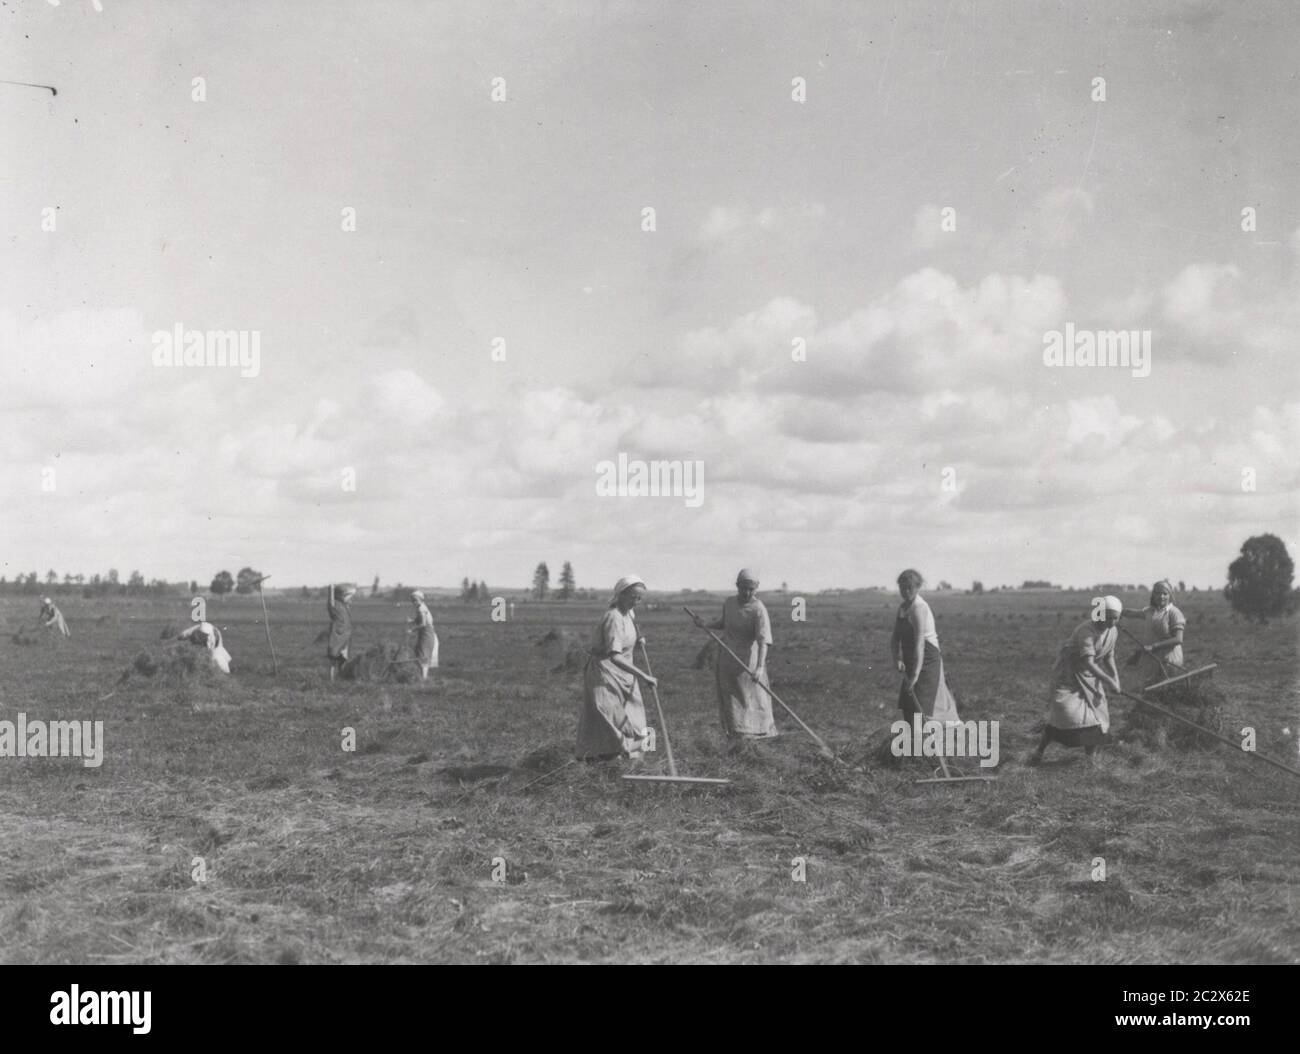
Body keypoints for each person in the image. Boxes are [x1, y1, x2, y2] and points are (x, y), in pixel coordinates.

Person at [1030, 596, 1123, 765]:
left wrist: (1116, 679)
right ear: (1099, 614)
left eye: (1115, 618)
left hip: (1090, 676)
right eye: (1107, 617)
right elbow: (1088, 662)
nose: (1111, 621)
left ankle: (1091, 760)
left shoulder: (1113, 632)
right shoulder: (1086, 631)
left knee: (1097, 715)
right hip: (1068, 675)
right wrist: (1108, 680)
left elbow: (1109, 658)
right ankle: (1039, 752)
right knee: (1064, 714)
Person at [577, 575, 656, 761]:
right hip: (605, 673)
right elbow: (614, 656)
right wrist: (645, 676)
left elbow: (629, 633)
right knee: (609, 719)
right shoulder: (613, 617)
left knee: (636, 719)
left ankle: (634, 759)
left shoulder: (629, 613)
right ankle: (604, 759)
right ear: (621, 594)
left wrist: (638, 638)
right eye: (633, 597)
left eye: (640, 598)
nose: (636, 601)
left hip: (625, 675)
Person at [692, 569, 776, 739]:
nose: (746, 592)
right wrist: (705, 624)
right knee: (730, 697)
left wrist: (760, 667)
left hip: (748, 661)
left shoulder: (758, 609)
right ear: (737, 586)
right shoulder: (729, 603)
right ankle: (736, 733)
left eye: (751, 589)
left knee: (751, 697)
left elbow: (763, 640)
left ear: (757, 588)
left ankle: (757, 733)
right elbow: (724, 623)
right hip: (728, 658)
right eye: (743, 588)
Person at [889, 569, 960, 725]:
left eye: (910, 588)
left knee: (923, 705)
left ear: (918, 587)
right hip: (911, 656)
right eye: (902, 588)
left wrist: (915, 675)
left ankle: (933, 741)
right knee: (908, 704)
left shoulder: (919, 608)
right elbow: (895, 638)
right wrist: (897, 659)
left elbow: (920, 643)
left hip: (927, 658)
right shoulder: (902, 608)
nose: (906, 591)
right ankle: (914, 742)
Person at [1123, 579, 1186, 686]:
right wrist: (1114, 610)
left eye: (1164, 593)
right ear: (1153, 595)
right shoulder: (1150, 611)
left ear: (1170, 595)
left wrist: (1154, 646)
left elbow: (1178, 639)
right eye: (1157, 593)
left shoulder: (1174, 613)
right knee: (1151, 687)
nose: (1161, 596)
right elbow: (1131, 613)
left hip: (1169, 659)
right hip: (1152, 658)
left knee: (1166, 688)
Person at [326, 583, 355, 681]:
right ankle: (331, 680)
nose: (350, 599)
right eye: (349, 597)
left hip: (345, 637)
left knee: (343, 659)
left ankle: (340, 676)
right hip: (337, 636)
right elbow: (330, 602)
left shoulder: (345, 607)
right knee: (333, 659)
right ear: (342, 596)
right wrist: (331, 590)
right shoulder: (335, 606)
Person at [407, 591, 439, 678]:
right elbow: (419, 619)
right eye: (412, 600)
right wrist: (412, 621)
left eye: (415, 600)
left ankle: (423, 678)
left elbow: (423, 624)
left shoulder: (421, 609)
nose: (414, 602)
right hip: (424, 633)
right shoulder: (420, 607)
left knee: (423, 654)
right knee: (419, 653)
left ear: (421, 599)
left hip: (427, 633)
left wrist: (412, 630)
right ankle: (422, 676)